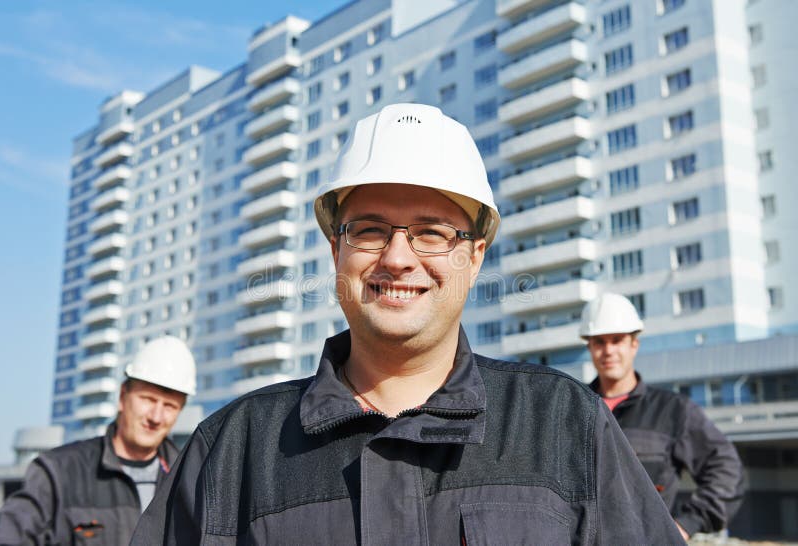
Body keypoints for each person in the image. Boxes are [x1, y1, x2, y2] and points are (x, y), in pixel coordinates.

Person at [132, 103, 684, 544]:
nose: (398, 258)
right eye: (369, 230)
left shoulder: (565, 427)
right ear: (335, 251)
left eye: (433, 232)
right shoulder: (232, 451)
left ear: (475, 258)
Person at [0, 336, 196, 545]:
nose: (156, 417)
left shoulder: (188, 480)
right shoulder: (59, 471)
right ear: (122, 397)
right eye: (148, 399)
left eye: (169, 406)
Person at [580, 292, 745, 540]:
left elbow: (727, 469)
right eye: (599, 342)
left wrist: (686, 524)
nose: (608, 350)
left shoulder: (673, 411)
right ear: (590, 347)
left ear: (634, 344)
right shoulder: (576, 409)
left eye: (617, 340)